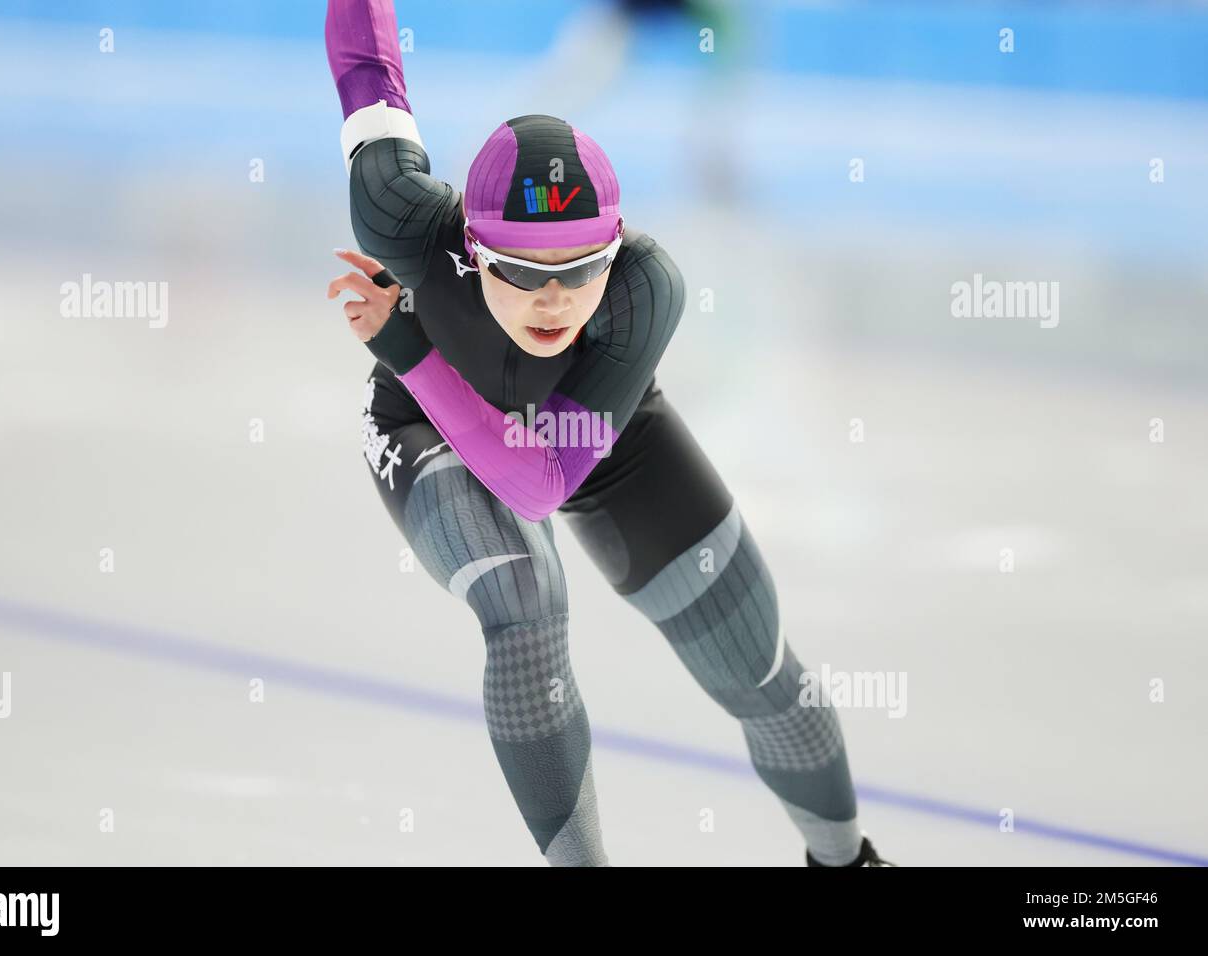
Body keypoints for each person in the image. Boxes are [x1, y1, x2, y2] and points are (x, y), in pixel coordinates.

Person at [325, 0, 891, 867]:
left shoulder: (644, 287)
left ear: (615, 246)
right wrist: (415, 366)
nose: (552, 301)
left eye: (579, 270)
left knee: (754, 662)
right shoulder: (399, 214)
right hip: (427, 421)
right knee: (524, 603)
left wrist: (407, 344)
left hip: (586, 427)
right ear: (472, 249)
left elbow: (543, 482)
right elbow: (368, 65)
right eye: (521, 272)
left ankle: (850, 862)